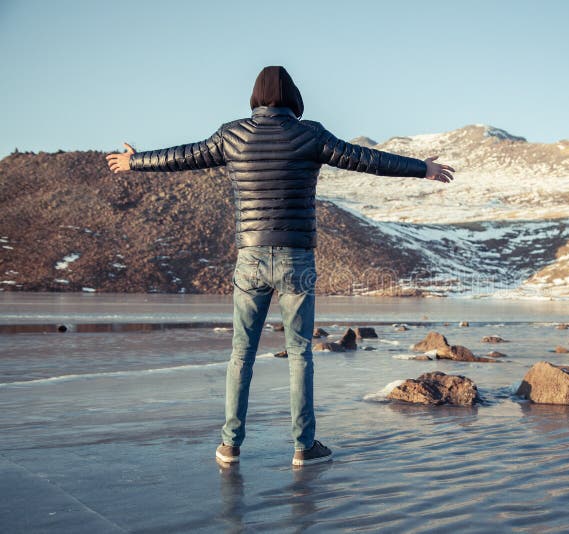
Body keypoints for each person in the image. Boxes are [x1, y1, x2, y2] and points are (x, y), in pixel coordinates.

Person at [105, 66, 455, 467]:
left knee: (241, 354)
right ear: (293, 97)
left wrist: (135, 162)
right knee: (301, 353)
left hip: (250, 259)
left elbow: (184, 156)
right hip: (296, 259)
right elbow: (366, 159)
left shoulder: (231, 135)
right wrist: (421, 168)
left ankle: (229, 445)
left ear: (255, 96)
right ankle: (304, 447)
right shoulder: (311, 134)